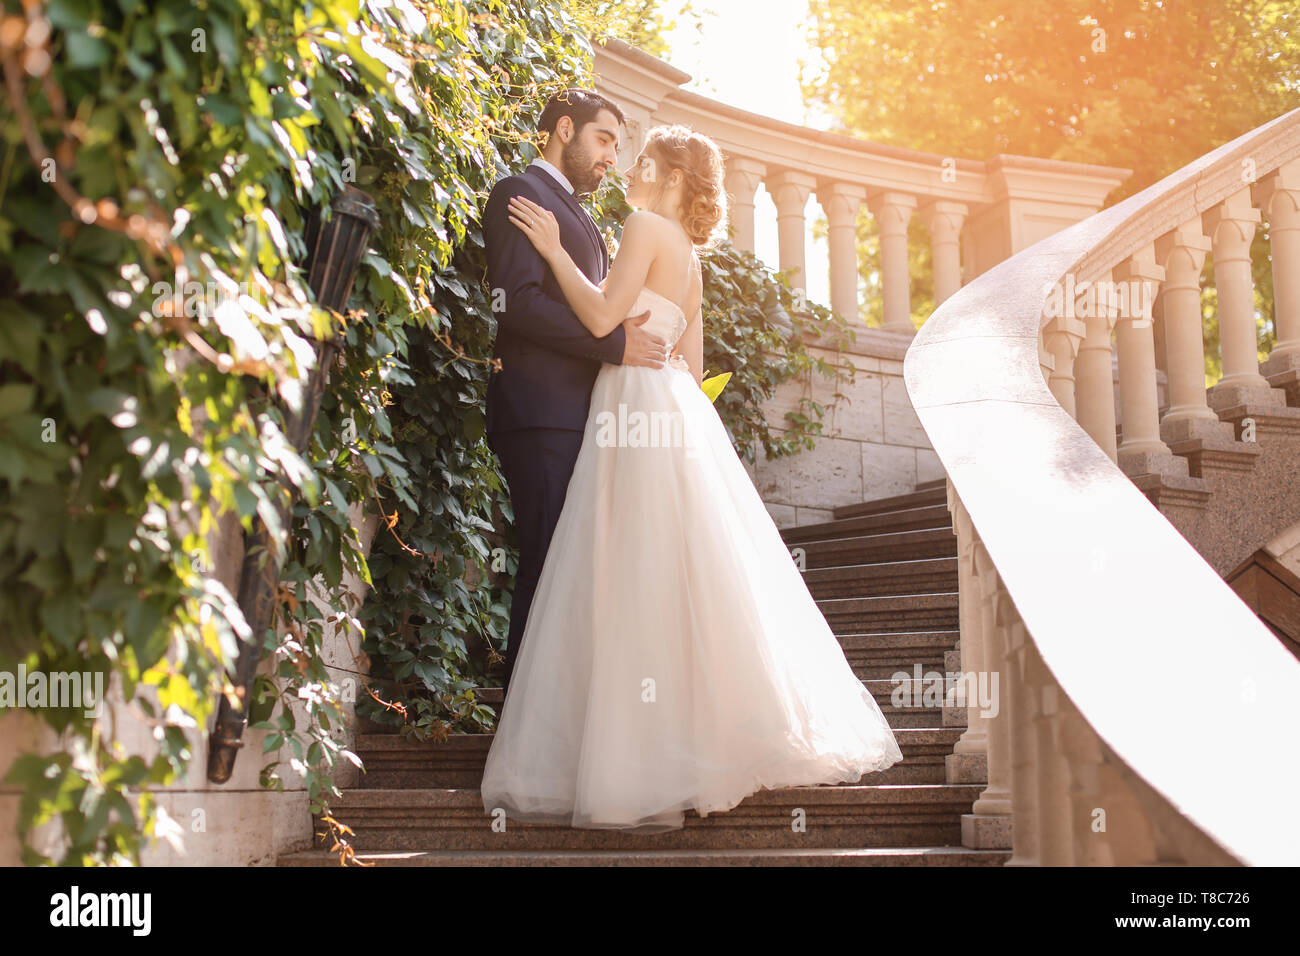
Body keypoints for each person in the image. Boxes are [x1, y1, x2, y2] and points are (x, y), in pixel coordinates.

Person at [478, 119, 904, 832]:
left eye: (642, 159)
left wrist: (553, 251)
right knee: (679, 576)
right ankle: (689, 745)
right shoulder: (696, 261)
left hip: (629, 408)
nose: (631, 169)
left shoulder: (645, 226)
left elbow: (602, 317)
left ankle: (627, 758)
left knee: (625, 572)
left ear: (672, 178)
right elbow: (694, 363)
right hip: (675, 412)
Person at [481, 89, 670, 697]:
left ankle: (553, 720)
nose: (613, 157)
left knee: (566, 567)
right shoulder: (520, 193)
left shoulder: (575, 211)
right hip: (540, 413)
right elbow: (517, 304)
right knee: (544, 561)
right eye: (605, 139)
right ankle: (520, 725)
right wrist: (615, 347)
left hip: (577, 414)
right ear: (565, 130)